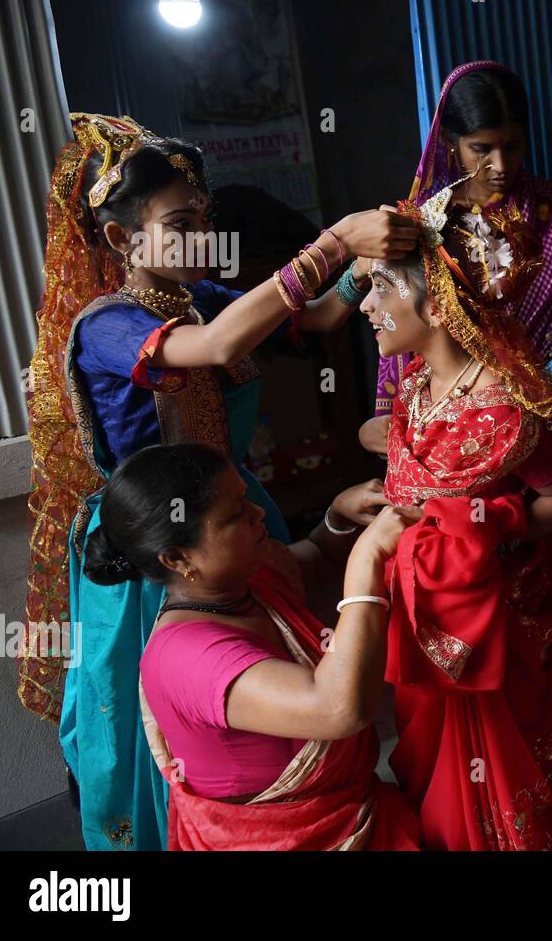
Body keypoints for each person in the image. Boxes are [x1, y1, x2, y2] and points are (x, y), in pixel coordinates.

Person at [21, 112, 418, 849]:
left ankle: (280, 807)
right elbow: (217, 347)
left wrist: (369, 264)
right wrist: (334, 241)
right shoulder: (107, 324)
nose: (202, 232)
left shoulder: (203, 296)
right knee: (156, 727)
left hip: (233, 506)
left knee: (270, 686)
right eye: (181, 221)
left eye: (205, 215)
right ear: (119, 239)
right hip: (158, 542)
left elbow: (321, 316)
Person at [361, 190, 552, 849]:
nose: (366, 307)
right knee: (435, 790)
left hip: (497, 628)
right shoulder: (417, 388)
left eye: (379, 291)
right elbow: (415, 488)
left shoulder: (505, 408)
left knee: (506, 797)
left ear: (433, 303)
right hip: (422, 626)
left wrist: (487, 524)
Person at [80, 443, 421, 850]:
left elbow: (315, 557)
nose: (259, 514)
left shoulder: (244, 580)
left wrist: (338, 517)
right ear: (176, 557)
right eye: (237, 513)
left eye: (246, 500)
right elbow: (338, 708)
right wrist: (367, 560)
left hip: (354, 811)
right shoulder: (186, 657)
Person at [365, 61, 552, 520]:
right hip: (457, 424)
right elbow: (402, 328)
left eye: (513, 146)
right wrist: (393, 419)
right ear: (451, 144)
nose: (501, 165)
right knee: (469, 537)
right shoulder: (426, 226)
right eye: (481, 149)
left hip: (547, 409)